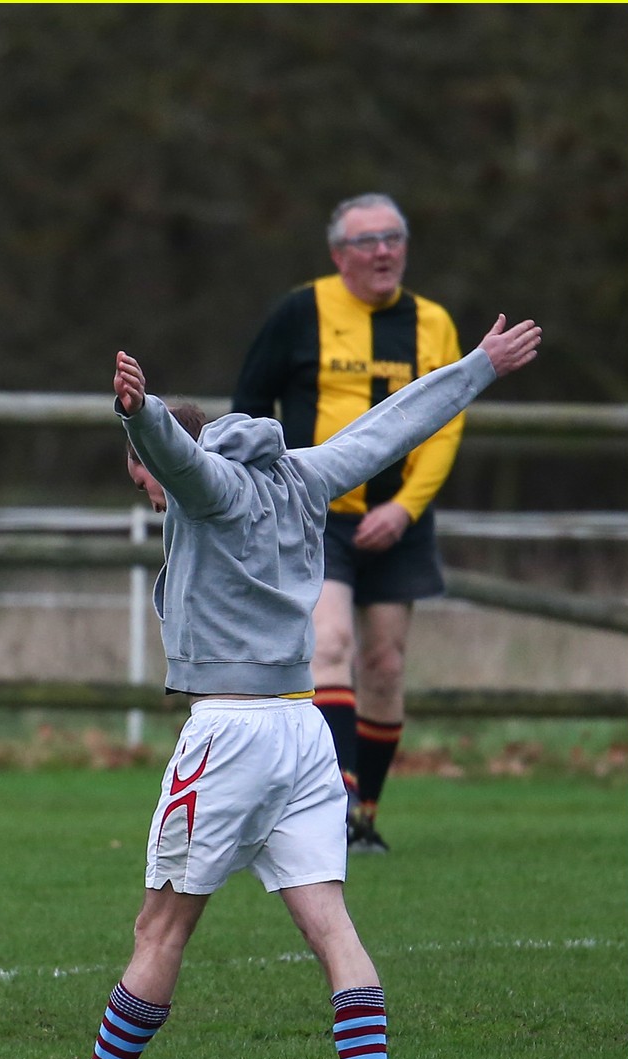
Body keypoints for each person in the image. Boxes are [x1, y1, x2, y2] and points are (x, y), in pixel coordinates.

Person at [3, 315, 541, 1059]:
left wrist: (133, 417)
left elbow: (179, 462)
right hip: (304, 730)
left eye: (139, 479)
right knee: (331, 926)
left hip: (232, 733)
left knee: (160, 929)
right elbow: (388, 426)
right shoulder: (305, 474)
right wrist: (477, 365)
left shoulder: (206, 485)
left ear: (158, 462)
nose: (147, 493)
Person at [232, 193, 463, 852]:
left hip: (399, 519)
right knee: (329, 646)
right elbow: (250, 403)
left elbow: (447, 420)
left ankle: (365, 817)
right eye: (368, 241)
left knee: (386, 666)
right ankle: (333, 804)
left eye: (394, 237)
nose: (384, 251)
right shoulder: (298, 312)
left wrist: (405, 507)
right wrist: (265, 487)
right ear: (339, 255)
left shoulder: (433, 322)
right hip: (313, 515)